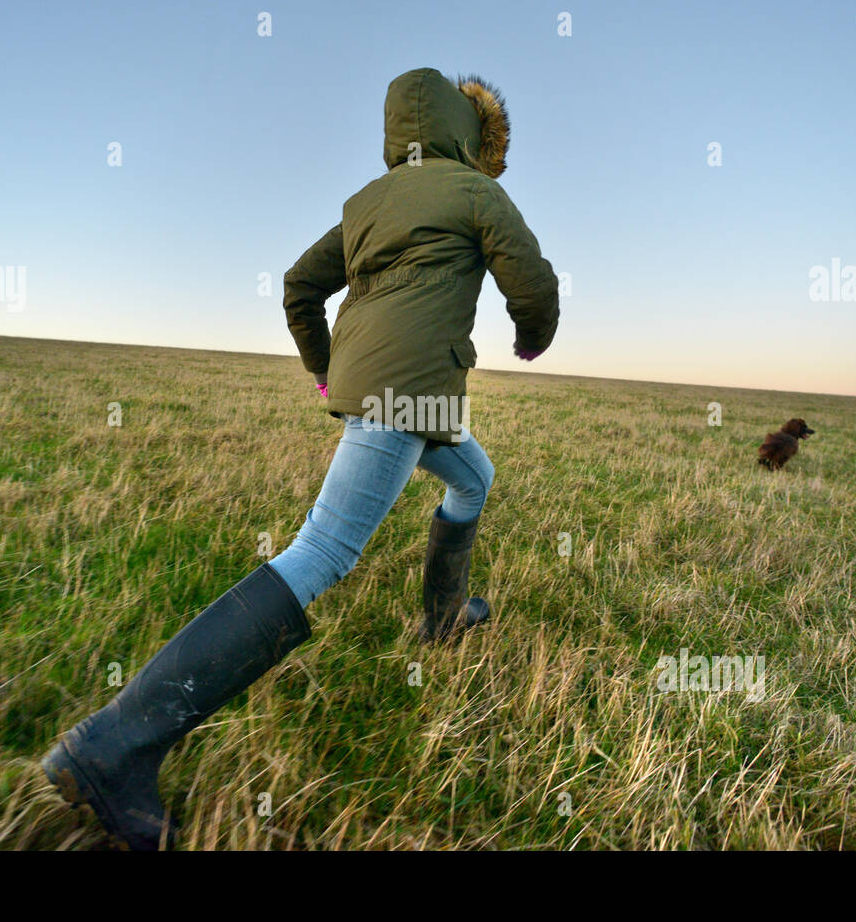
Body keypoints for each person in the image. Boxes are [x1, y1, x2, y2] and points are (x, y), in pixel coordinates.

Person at [42, 67, 560, 850]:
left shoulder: (365, 203)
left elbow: (297, 286)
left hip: (394, 392)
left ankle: (444, 617)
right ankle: (111, 747)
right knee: (320, 551)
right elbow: (537, 284)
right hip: (406, 396)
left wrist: (324, 366)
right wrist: (530, 336)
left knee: (473, 480)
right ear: (469, 134)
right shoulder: (476, 191)